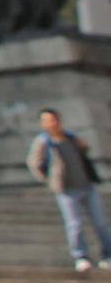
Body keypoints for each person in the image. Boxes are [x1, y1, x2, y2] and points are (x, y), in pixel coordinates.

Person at [27, 108, 107, 272]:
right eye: (47, 120)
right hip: (67, 190)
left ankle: (108, 255)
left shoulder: (71, 136)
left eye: (54, 119)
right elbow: (34, 163)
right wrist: (51, 180)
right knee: (74, 224)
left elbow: (84, 153)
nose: (52, 123)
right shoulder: (44, 142)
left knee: (100, 223)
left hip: (87, 186)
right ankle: (81, 256)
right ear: (43, 124)